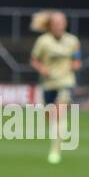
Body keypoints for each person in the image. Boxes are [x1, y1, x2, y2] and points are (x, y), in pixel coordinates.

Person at [29, 10, 81, 164]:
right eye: (56, 23)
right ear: (50, 25)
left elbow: (77, 60)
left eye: (61, 23)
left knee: (60, 112)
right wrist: (42, 69)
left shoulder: (73, 41)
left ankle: (55, 150)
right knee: (50, 116)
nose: (59, 26)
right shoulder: (43, 41)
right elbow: (34, 60)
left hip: (66, 82)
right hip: (48, 83)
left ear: (65, 24)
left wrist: (75, 65)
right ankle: (57, 134)